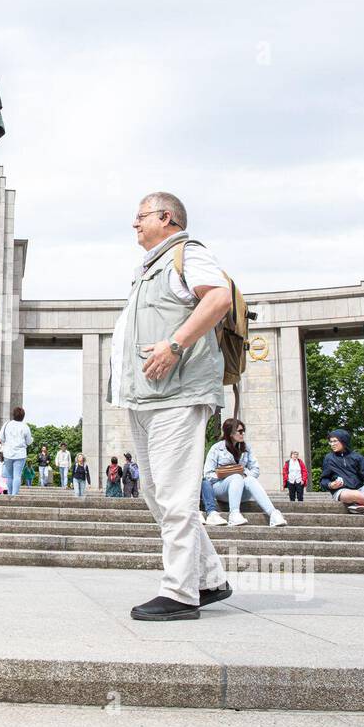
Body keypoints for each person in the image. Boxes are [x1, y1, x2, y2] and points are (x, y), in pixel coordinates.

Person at [110, 192, 232, 621]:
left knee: (176, 495)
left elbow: (219, 298)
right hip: (146, 397)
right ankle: (209, 577)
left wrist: (175, 345)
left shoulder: (188, 252)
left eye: (140, 215)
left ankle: (180, 592)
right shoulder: (151, 268)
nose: (134, 224)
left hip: (177, 395)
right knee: (156, 493)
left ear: (167, 217)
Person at [200, 419, 288, 527]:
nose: (243, 434)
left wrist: (244, 475)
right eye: (240, 431)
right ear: (231, 433)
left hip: (240, 490)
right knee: (236, 476)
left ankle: (274, 514)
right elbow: (208, 474)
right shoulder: (216, 449)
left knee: (250, 479)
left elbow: (255, 469)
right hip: (220, 489)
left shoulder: (246, 448)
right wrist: (228, 473)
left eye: (243, 431)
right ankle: (234, 514)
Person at [0, 407, 33, 496]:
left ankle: (9, 493)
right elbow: (28, 442)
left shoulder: (7, 424)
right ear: (23, 416)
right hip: (20, 454)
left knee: (9, 475)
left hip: (8, 453)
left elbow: (0, 438)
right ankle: (14, 495)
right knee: (17, 475)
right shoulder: (25, 426)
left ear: (13, 415)